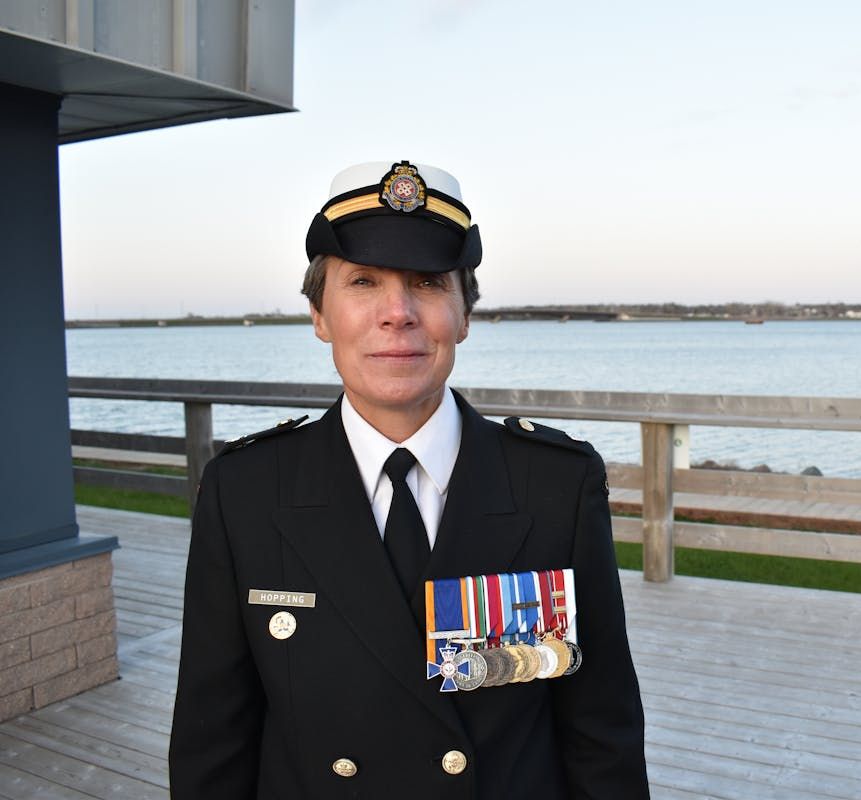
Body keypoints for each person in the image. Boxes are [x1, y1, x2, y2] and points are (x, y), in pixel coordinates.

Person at [168, 161, 649, 799]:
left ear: (464, 314)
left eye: (427, 282)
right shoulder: (246, 492)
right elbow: (213, 739)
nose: (397, 313)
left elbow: (601, 729)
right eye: (363, 282)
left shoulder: (554, 484)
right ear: (319, 316)